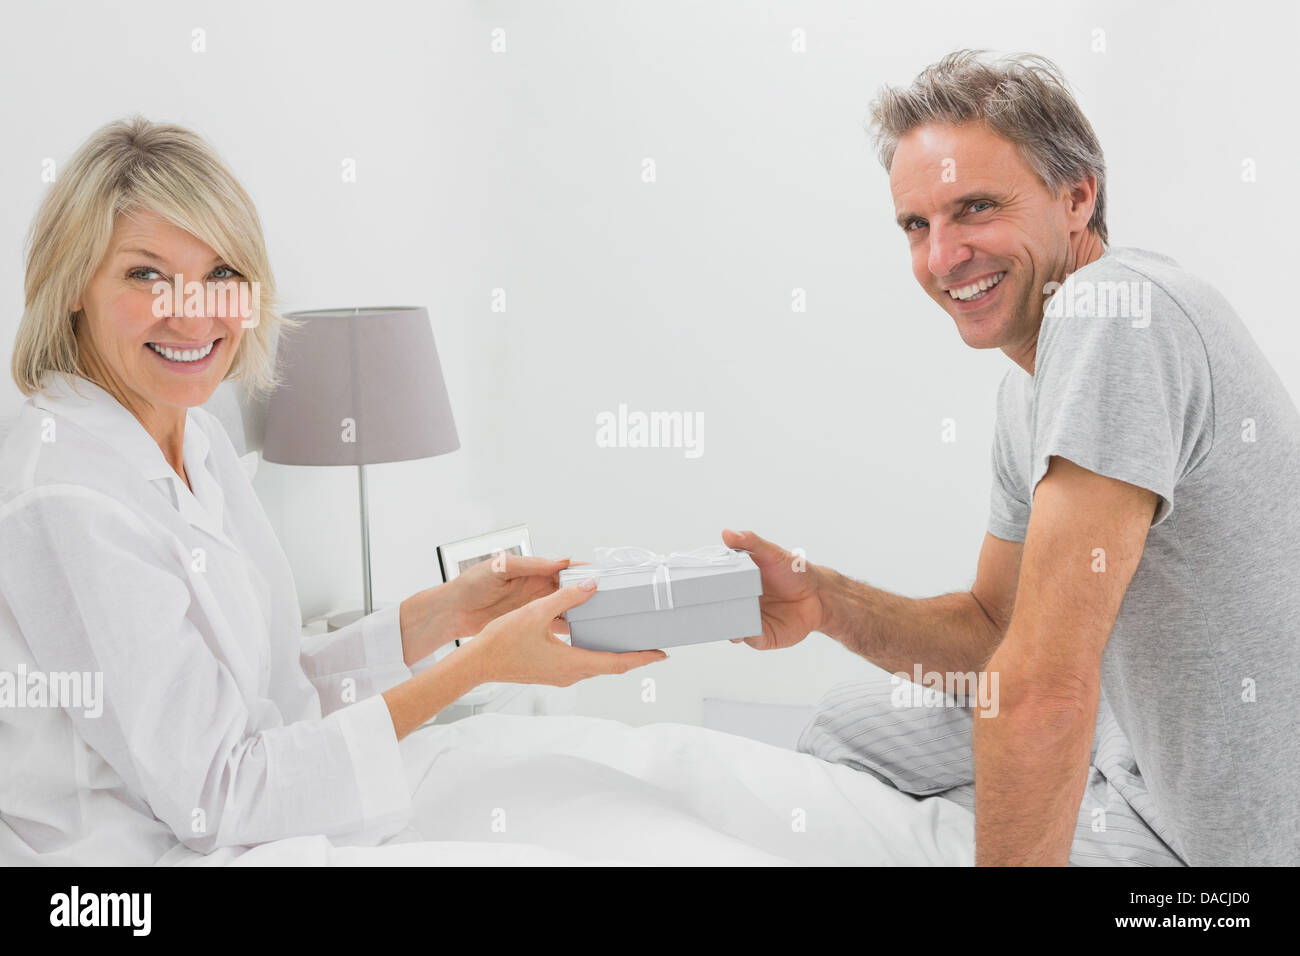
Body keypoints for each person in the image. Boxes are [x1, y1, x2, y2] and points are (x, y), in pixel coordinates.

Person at [0, 116, 665, 865]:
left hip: (252, 822)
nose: (192, 311)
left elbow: (266, 695)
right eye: (145, 273)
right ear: (71, 289)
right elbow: (216, 797)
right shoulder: (67, 495)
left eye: (221, 273)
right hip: (135, 869)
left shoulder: (199, 439)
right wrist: (475, 670)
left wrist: (449, 614)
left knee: (628, 785)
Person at [725, 50, 1300, 866]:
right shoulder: (1030, 383)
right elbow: (996, 629)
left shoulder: (1115, 314)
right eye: (917, 226)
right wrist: (823, 600)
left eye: (977, 208)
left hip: (1224, 852)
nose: (942, 257)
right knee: (846, 725)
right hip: (1131, 753)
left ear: (1076, 197)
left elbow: (1040, 689)